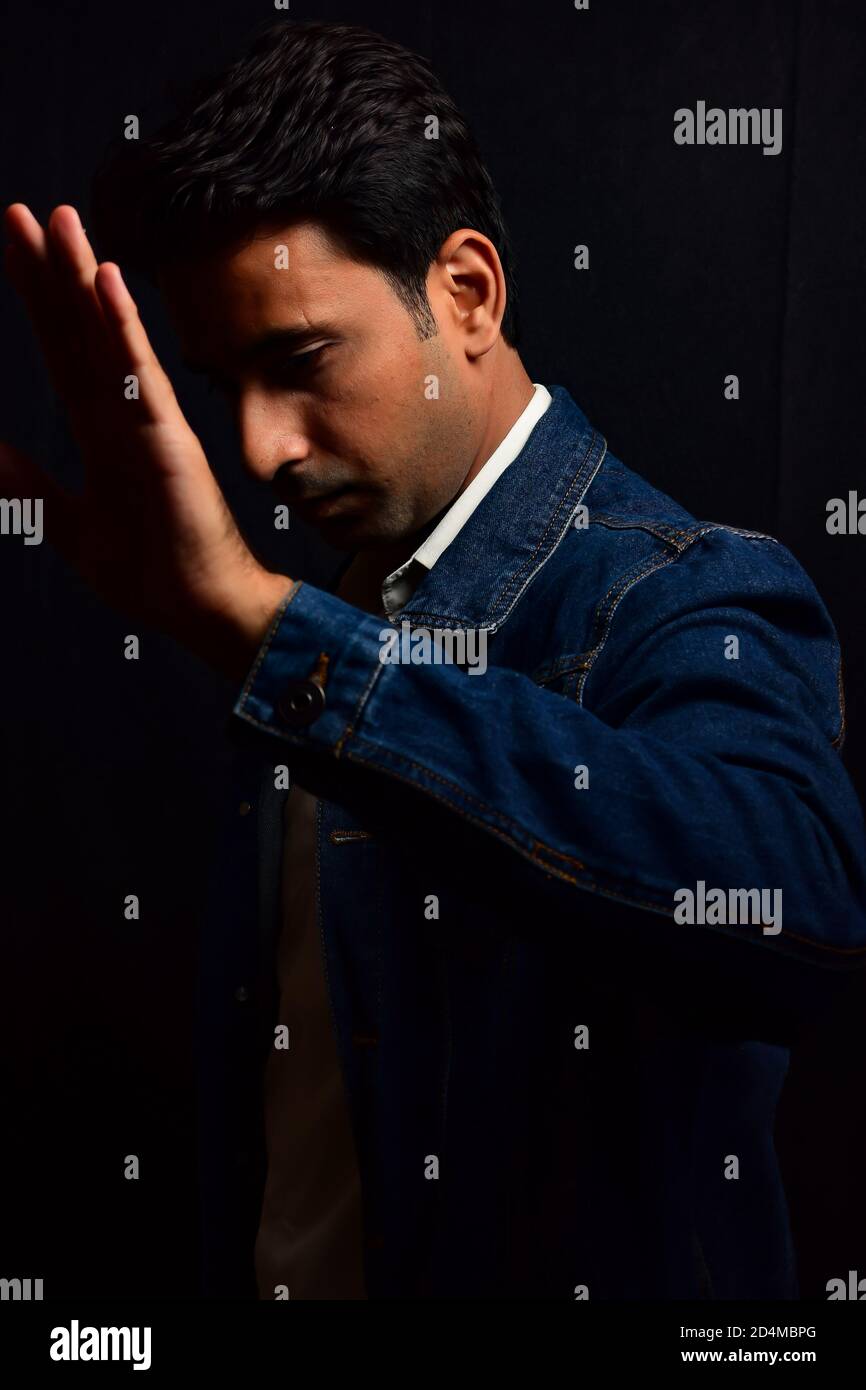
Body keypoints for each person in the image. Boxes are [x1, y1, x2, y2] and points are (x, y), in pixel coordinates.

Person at [3, 18, 865, 1301]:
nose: (259, 452)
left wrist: (264, 628)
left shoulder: (681, 588)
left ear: (465, 293)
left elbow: (793, 919)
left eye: (299, 361)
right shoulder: (329, 619)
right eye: (223, 380)